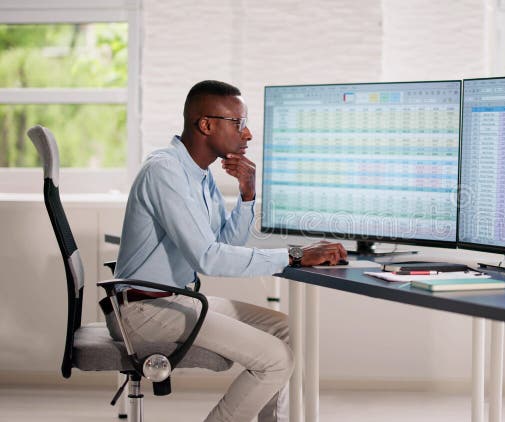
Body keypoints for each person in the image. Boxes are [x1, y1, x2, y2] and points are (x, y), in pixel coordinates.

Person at [106, 80, 347, 422]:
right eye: (238, 123)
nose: (247, 134)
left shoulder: (200, 175)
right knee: (275, 360)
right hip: (144, 312)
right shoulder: (165, 172)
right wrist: (294, 254)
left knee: (288, 330)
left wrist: (247, 195)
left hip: (174, 300)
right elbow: (208, 258)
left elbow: (224, 244)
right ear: (206, 125)